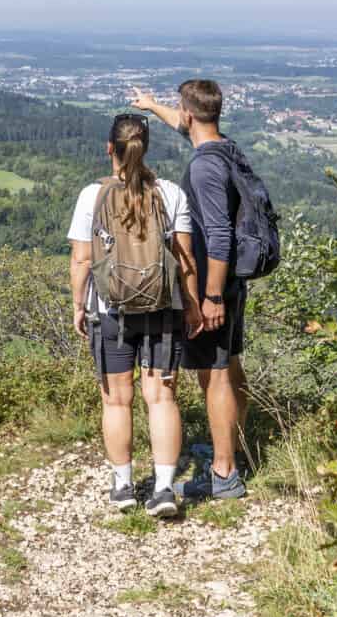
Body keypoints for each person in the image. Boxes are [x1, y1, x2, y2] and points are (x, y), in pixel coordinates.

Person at [68, 113, 202, 518]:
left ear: (110, 148)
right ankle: (163, 490)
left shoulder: (93, 195)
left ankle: (124, 486)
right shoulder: (171, 193)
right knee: (161, 398)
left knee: (116, 400)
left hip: (110, 309)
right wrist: (192, 304)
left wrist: (78, 305)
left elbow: (82, 259)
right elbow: (185, 258)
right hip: (164, 308)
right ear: (146, 147)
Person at [131, 79, 250, 501]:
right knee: (229, 366)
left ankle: (224, 473)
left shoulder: (204, 168)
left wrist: (209, 297)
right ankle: (231, 448)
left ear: (189, 113)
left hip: (213, 288)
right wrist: (151, 106)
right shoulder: (224, 148)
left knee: (213, 375)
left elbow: (218, 235)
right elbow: (185, 127)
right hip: (232, 280)